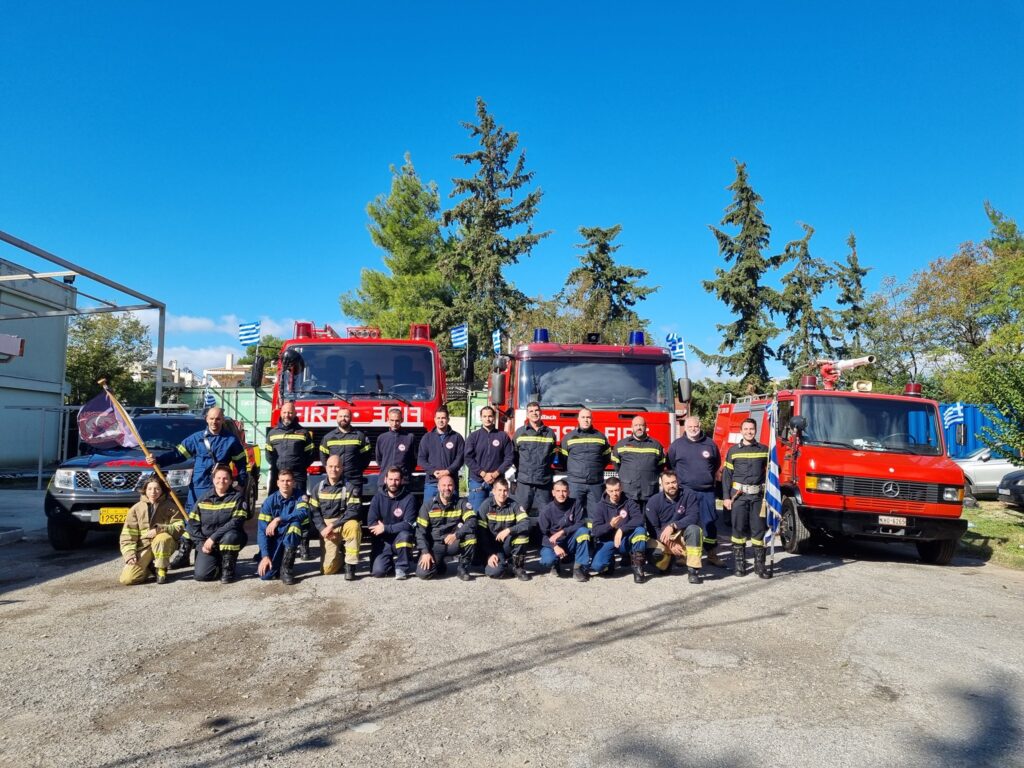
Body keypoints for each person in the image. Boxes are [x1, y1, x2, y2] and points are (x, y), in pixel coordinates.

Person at [149, 406, 248, 569]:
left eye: (218, 419)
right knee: (191, 519)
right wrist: (158, 460)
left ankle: (215, 552)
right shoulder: (196, 438)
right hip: (199, 487)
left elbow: (242, 464)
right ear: (206, 419)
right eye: (211, 418)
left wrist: (240, 484)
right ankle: (184, 553)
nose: (214, 422)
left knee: (218, 519)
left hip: (220, 487)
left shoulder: (231, 440)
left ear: (223, 420)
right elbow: (177, 455)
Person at [667, 415, 724, 568]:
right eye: (690, 426)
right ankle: (683, 554)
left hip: (706, 492)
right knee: (684, 522)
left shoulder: (710, 444)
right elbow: (671, 465)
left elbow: (716, 464)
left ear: (700, 426)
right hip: (685, 492)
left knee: (709, 523)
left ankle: (711, 554)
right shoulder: (676, 445)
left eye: (696, 426)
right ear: (685, 428)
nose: (693, 429)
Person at [722, 418, 770, 578]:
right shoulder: (733, 451)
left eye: (752, 429)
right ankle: (739, 566)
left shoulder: (764, 450)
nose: (749, 432)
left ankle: (760, 567)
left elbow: (772, 473)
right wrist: (726, 497)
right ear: (741, 431)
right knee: (738, 530)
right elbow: (727, 476)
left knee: (759, 530)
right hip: (739, 497)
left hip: (758, 497)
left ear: (756, 430)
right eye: (746, 429)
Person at [186, 464, 248, 583]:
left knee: (231, 536)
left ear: (231, 481)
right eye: (218, 478)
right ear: (213, 480)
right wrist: (202, 543)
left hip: (227, 539)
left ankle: (228, 568)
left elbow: (236, 522)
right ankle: (218, 563)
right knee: (201, 576)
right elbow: (192, 524)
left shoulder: (237, 497)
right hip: (207, 542)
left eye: (225, 478)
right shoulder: (204, 498)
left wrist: (213, 538)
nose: (221, 481)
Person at [118, 477, 184, 585]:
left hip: (165, 544)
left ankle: (161, 570)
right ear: (145, 490)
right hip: (144, 547)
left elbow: (179, 528)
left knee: (162, 538)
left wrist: (160, 529)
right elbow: (127, 535)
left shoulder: (171, 507)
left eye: (157, 489)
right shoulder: (136, 509)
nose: (153, 492)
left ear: (162, 490)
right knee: (127, 579)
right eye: (150, 489)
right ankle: (149, 567)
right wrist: (130, 555)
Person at [645, 469, 705, 583]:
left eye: (674, 482)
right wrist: (670, 544)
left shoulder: (688, 494)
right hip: (664, 539)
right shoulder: (653, 501)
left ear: (678, 482)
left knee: (695, 530)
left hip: (682, 535)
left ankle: (693, 571)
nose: (671, 486)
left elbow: (694, 516)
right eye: (667, 483)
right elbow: (653, 530)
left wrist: (673, 526)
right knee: (652, 551)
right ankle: (667, 562)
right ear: (661, 485)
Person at [308, 454, 362, 580]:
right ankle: (341, 557)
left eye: (337, 467)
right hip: (326, 526)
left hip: (343, 522)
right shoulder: (318, 488)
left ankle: (350, 566)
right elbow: (314, 512)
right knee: (327, 570)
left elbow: (353, 511)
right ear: (326, 468)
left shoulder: (349, 487)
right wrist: (323, 529)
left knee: (354, 526)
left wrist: (333, 525)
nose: (334, 469)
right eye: (331, 466)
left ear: (342, 468)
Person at [415, 474, 476, 580]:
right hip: (435, 545)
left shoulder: (461, 502)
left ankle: (462, 568)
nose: (447, 488)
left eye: (450, 485)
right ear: (438, 487)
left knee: (470, 537)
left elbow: (472, 521)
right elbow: (420, 531)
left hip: (454, 542)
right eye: (443, 485)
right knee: (423, 574)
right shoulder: (428, 505)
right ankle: (439, 564)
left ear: (454, 487)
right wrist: (425, 552)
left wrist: (456, 535)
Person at [590, 476, 649, 583]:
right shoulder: (600, 506)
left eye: (617, 490)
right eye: (611, 491)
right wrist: (610, 525)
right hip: (608, 541)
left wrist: (621, 529)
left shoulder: (629, 502)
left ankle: (638, 567)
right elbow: (596, 531)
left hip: (625, 540)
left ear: (621, 488)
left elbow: (639, 519)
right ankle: (610, 562)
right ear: (606, 490)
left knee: (640, 531)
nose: (614, 494)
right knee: (597, 566)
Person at [256, 469, 309, 585]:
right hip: (276, 538)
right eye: (282, 480)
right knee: (266, 575)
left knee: (295, 526)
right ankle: (273, 560)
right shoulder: (269, 501)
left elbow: (302, 513)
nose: (285, 483)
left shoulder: (300, 496)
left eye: (288, 481)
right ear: (277, 483)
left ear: (293, 482)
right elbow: (262, 530)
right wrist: (265, 555)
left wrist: (278, 519)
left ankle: (286, 569)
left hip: (290, 536)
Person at [367, 466, 417, 579]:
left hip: (399, 538)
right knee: (378, 572)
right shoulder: (377, 498)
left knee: (405, 535)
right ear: (385, 479)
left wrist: (385, 528)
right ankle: (388, 564)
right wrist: (393, 528)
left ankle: (401, 568)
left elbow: (408, 524)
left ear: (402, 480)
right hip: (383, 542)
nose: (393, 483)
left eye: (396, 480)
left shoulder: (409, 498)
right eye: (390, 479)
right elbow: (371, 523)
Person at [479, 477, 532, 580]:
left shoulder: (514, 505)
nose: (502, 494)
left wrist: (509, 530)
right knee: (495, 572)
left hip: (507, 545)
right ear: (494, 491)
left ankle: (518, 567)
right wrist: (489, 554)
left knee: (522, 535)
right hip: (491, 547)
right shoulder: (486, 506)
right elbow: (481, 533)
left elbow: (526, 523)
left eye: (505, 490)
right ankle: (502, 564)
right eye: (499, 490)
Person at [538, 479, 591, 581]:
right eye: (558, 491)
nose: (561, 494)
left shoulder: (575, 504)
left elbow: (581, 523)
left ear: (569, 492)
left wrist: (562, 532)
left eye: (564, 491)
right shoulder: (546, 510)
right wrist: (555, 547)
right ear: (553, 493)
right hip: (554, 543)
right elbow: (542, 535)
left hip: (570, 540)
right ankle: (555, 563)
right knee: (547, 560)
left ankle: (578, 568)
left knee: (584, 532)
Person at [560, 408, 610, 516]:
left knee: (596, 515)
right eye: (583, 417)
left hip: (595, 484)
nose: (586, 420)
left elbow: (606, 458)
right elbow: (563, 459)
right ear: (578, 419)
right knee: (573, 514)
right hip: (575, 483)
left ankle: (593, 528)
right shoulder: (568, 437)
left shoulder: (601, 437)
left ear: (592, 419)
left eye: (588, 417)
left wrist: (595, 471)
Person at [512, 401, 559, 515]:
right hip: (525, 482)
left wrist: (544, 469)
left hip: (544, 482)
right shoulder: (520, 433)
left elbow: (552, 455)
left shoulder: (550, 433)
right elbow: (514, 455)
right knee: (521, 514)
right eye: (531, 411)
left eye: (536, 410)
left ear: (541, 412)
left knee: (546, 515)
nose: (534, 413)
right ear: (527, 415)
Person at [465, 405, 514, 511]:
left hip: (497, 481)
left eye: (490, 416)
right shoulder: (473, 436)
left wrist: (496, 473)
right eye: (485, 416)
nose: (487, 419)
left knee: (498, 513)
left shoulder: (503, 436)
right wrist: (483, 474)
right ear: (480, 418)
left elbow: (509, 458)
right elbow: (468, 458)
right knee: (477, 513)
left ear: (494, 417)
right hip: (478, 481)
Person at [611, 416, 666, 510]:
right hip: (628, 492)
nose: (639, 427)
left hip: (649, 492)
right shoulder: (621, 445)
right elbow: (616, 465)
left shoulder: (656, 445)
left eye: (641, 425)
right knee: (628, 518)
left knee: (649, 518)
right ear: (632, 427)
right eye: (636, 425)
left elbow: (661, 466)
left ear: (646, 427)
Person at [319, 408, 371, 500]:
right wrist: (331, 471)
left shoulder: (359, 436)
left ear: (351, 418)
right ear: (336, 418)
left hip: (354, 478)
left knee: (355, 504)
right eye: (340, 416)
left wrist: (357, 469)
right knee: (336, 504)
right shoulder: (328, 437)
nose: (343, 418)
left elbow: (367, 456)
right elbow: (323, 456)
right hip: (335, 479)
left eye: (346, 416)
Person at [265, 401, 315, 496]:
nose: (287, 415)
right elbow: (268, 454)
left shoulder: (304, 433)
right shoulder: (272, 433)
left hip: (297, 475)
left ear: (295, 414)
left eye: (290, 413)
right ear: (281, 413)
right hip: (278, 474)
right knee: (275, 501)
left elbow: (311, 454)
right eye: (284, 412)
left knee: (299, 501)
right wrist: (277, 465)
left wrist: (299, 466)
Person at [417, 406, 465, 502]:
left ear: (448, 419)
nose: (441, 420)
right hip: (432, 483)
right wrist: (433, 471)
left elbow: (460, 458)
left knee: (452, 510)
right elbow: (421, 459)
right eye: (438, 418)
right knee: (430, 509)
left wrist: (448, 471)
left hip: (450, 482)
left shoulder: (457, 437)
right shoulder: (427, 437)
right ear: (435, 419)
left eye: (443, 418)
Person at [375, 407, 416, 488]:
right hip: (385, 482)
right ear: (388, 420)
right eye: (392, 420)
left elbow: (413, 460)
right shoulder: (381, 438)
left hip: (404, 481)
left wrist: (405, 472)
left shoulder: (409, 437)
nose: (394, 423)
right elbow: (379, 459)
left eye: (397, 420)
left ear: (402, 420)